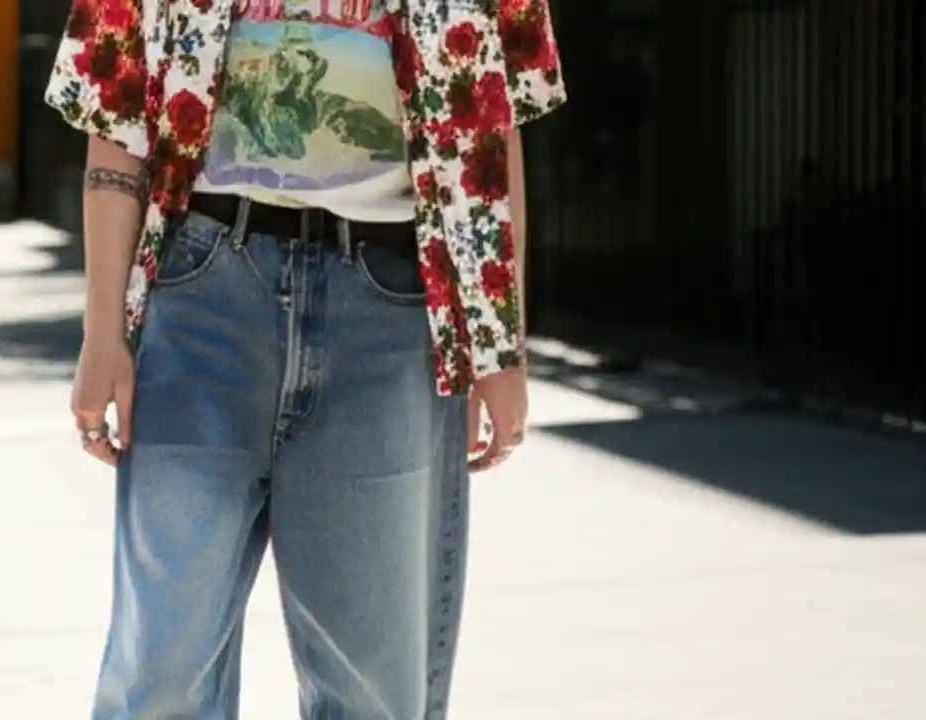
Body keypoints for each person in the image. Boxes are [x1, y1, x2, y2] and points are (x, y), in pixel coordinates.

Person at [46, 0, 565, 714]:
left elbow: (491, 121)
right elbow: (114, 106)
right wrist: (102, 332)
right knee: (157, 676)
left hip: (388, 311)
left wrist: (499, 346)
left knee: (370, 691)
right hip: (203, 294)